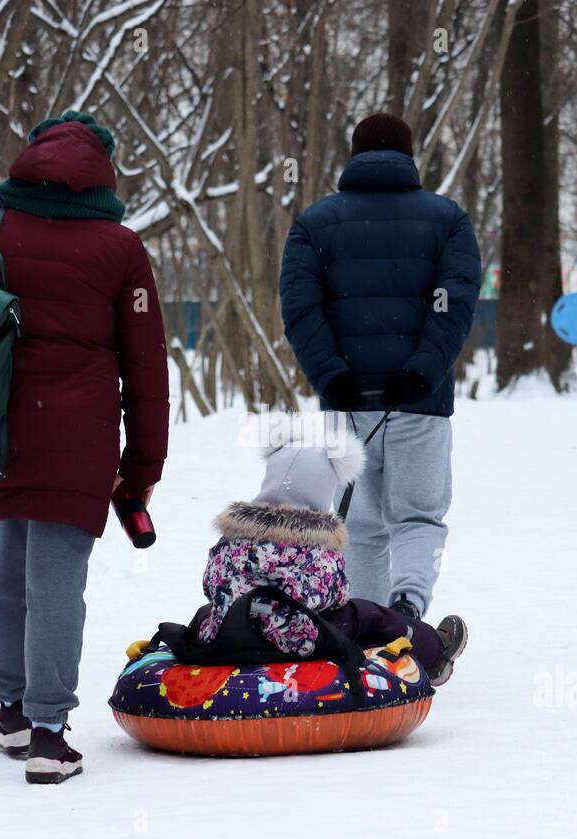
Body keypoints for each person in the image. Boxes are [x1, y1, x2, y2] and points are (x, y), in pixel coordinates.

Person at [0, 112, 169, 785]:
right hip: (77, 443)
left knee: (3, 573)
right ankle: (49, 734)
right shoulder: (119, 249)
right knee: (56, 582)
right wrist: (141, 471)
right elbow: (147, 371)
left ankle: (12, 709)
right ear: (102, 170)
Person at [278, 112, 480, 625]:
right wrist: (423, 370)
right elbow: (453, 303)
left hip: (347, 403)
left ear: (355, 155)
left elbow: (302, 309)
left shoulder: (315, 223)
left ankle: (367, 623)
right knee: (418, 515)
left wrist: (331, 377)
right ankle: (408, 607)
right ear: (409, 156)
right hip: (421, 402)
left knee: (362, 523)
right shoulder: (447, 220)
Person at [195, 424, 468, 685]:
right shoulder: (316, 548)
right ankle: (434, 652)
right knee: (366, 615)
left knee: (208, 610)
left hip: (232, 636)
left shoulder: (230, 539)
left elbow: (211, 584)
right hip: (296, 643)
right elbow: (334, 594)